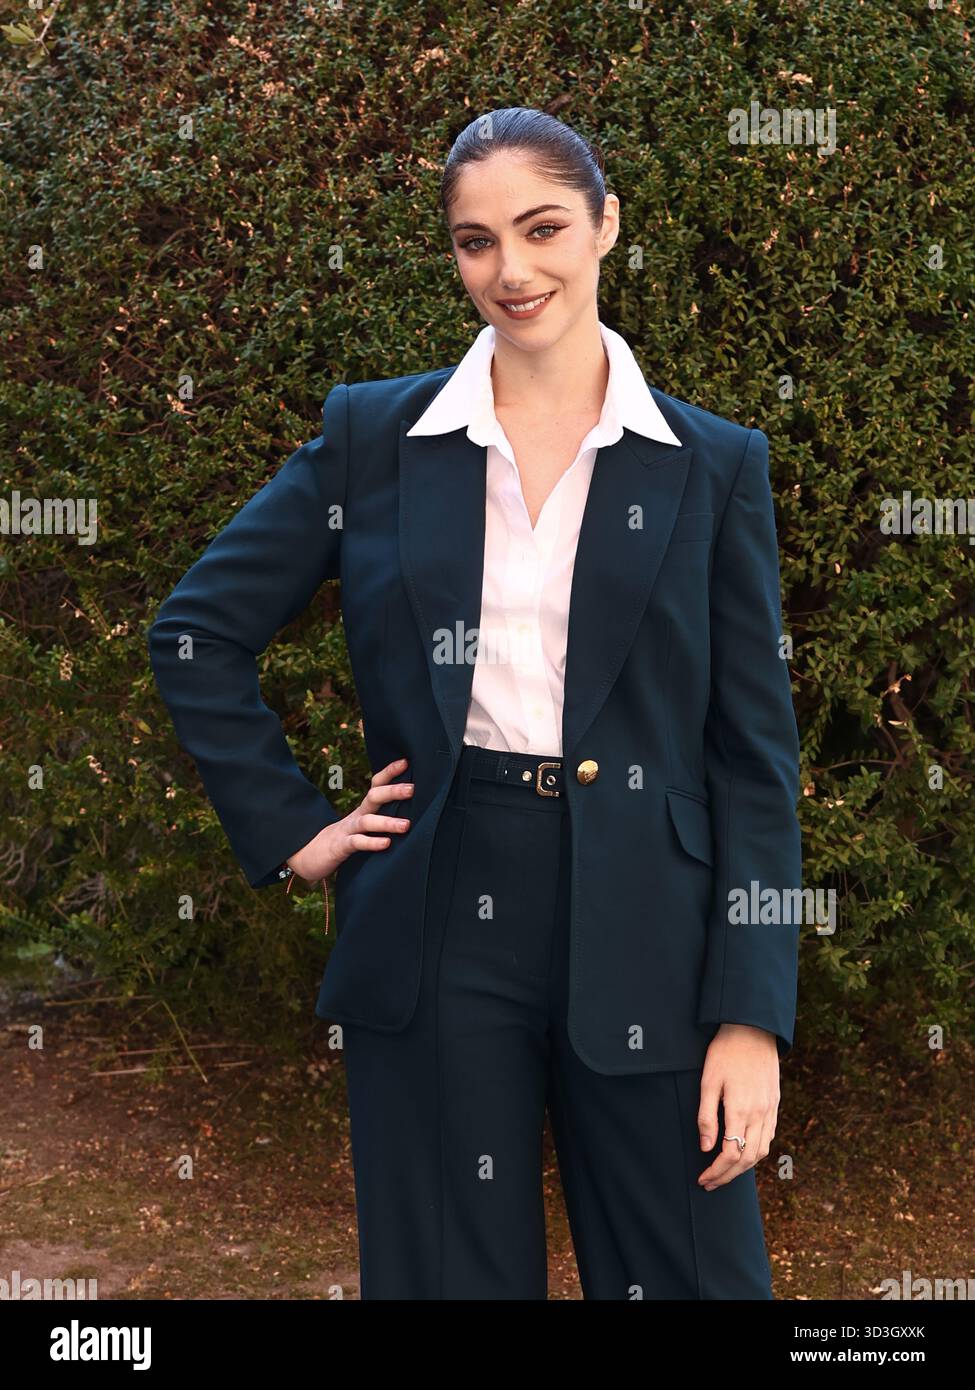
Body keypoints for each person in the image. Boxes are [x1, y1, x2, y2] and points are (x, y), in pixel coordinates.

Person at [148, 106, 803, 1300]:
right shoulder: (375, 438)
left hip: (654, 925)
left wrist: (751, 1013)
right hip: (438, 912)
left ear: (607, 227)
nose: (511, 270)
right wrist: (293, 825)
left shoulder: (714, 465)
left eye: (542, 228)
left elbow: (756, 759)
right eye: (474, 241)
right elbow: (196, 631)